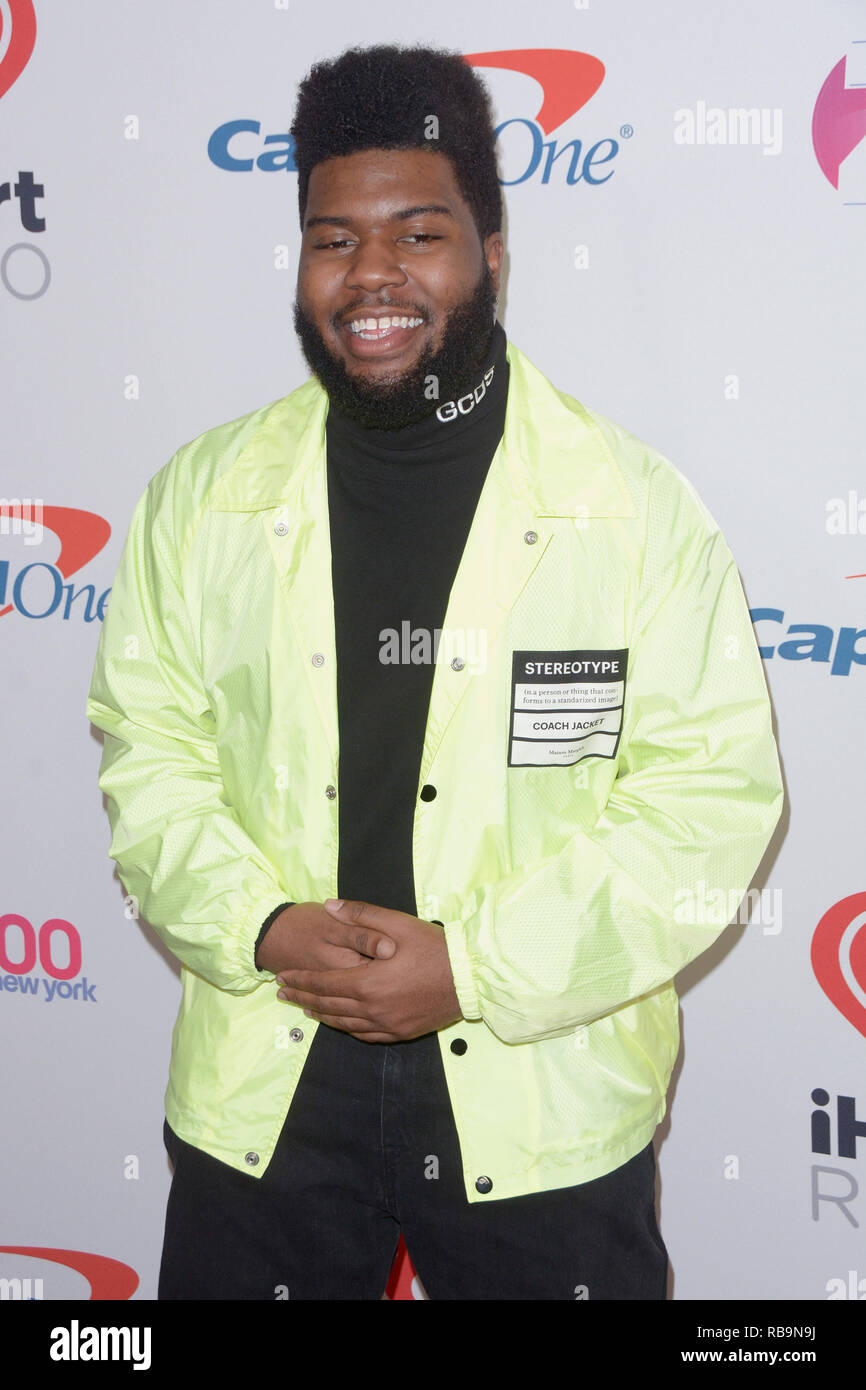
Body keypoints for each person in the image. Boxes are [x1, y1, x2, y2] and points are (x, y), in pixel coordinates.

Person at [86, 43, 783, 1301]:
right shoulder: (200, 498)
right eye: (333, 238)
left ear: (492, 250)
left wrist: (472, 968)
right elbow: (151, 750)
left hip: (542, 1088)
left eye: (419, 233)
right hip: (270, 1075)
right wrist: (258, 924)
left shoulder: (631, 508)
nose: (372, 278)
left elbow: (707, 803)